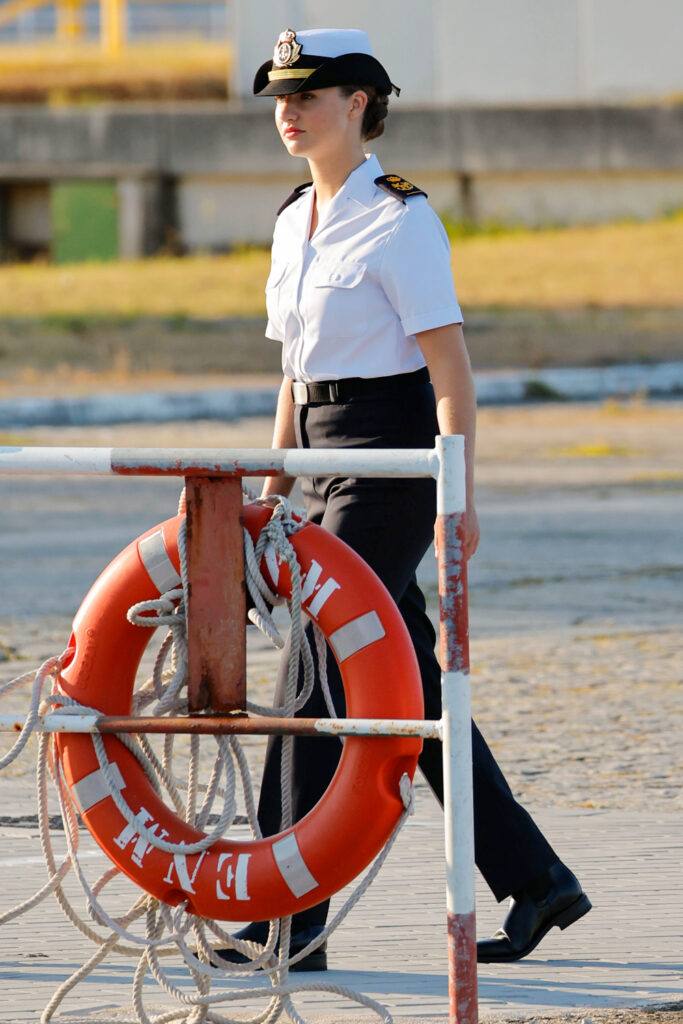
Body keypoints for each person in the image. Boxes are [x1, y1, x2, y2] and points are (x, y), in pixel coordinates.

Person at [217, 27, 590, 971]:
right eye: (279, 97)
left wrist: (451, 496)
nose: (287, 112)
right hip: (323, 457)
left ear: (360, 104)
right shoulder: (292, 217)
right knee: (409, 686)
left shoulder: (401, 220)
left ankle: (286, 919)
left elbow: (451, 373)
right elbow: (294, 379)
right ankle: (538, 881)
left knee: (314, 660)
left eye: (309, 95)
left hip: (390, 465)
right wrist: (272, 486)